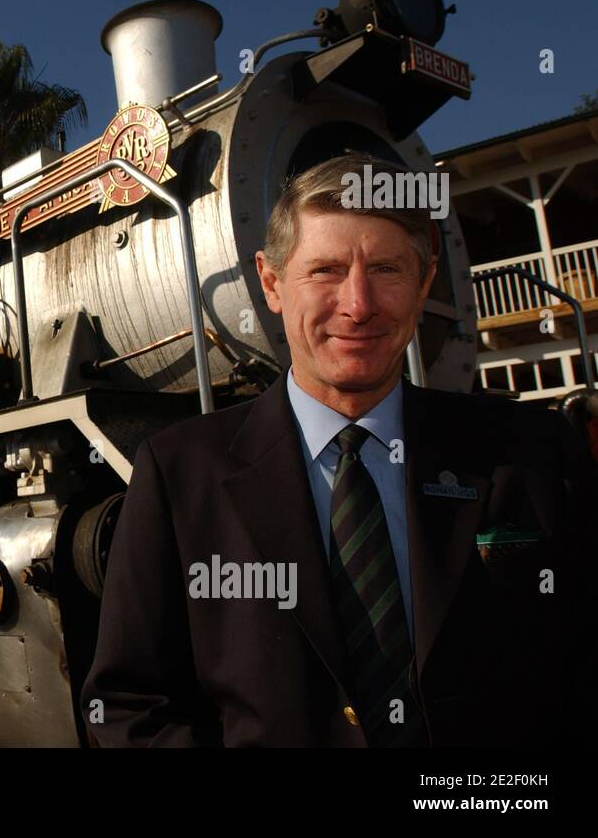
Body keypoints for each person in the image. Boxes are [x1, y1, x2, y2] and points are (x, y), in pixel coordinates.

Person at [81, 153, 598, 747]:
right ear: (271, 284)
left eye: (386, 269)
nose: (358, 305)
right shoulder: (178, 474)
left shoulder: (533, 452)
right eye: (325, 270)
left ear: (425, 283)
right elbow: (126, 705)